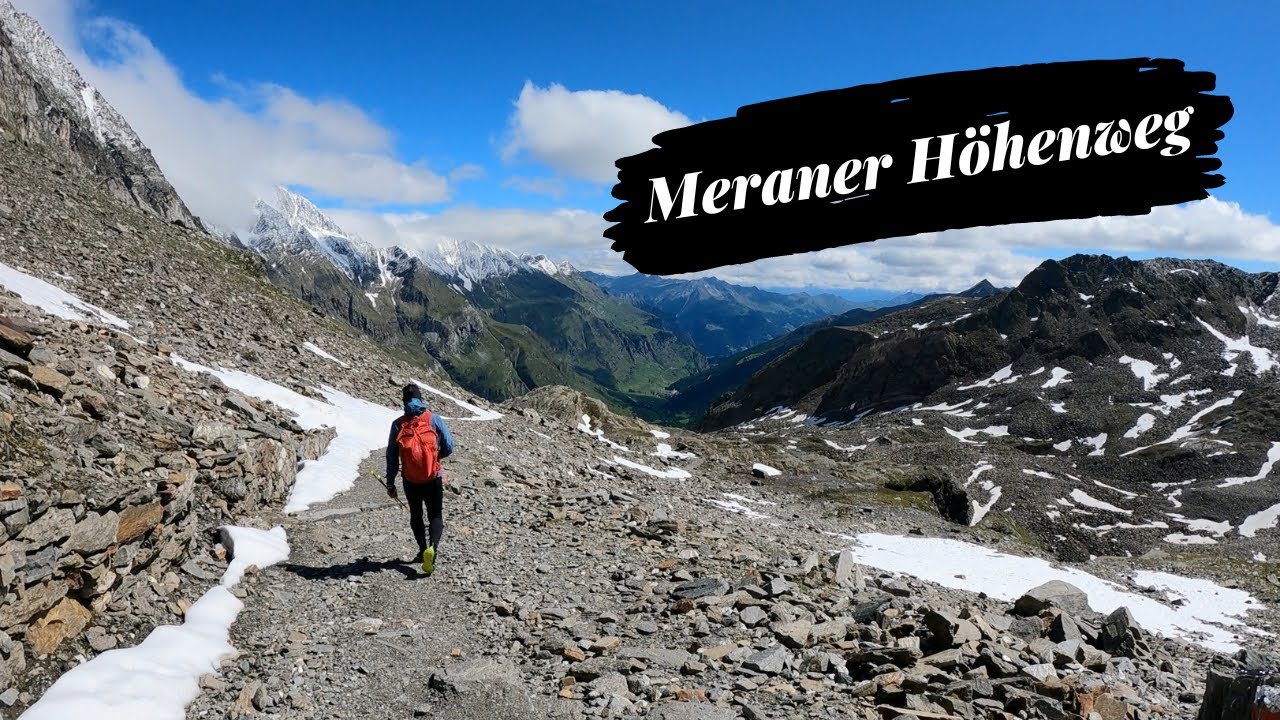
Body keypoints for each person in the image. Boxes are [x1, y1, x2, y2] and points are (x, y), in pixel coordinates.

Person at [386, 383, 455, 574]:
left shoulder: (398, 424)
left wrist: (390, 483)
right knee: (435, 514)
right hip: (433, 476)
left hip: (410, 480)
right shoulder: (433, 418)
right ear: (421, 398)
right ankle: (433, 548)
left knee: (416, 515)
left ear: (404, 401)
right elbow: (449, 445)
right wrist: (435, 458)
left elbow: (391, 456)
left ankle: (422, 549)